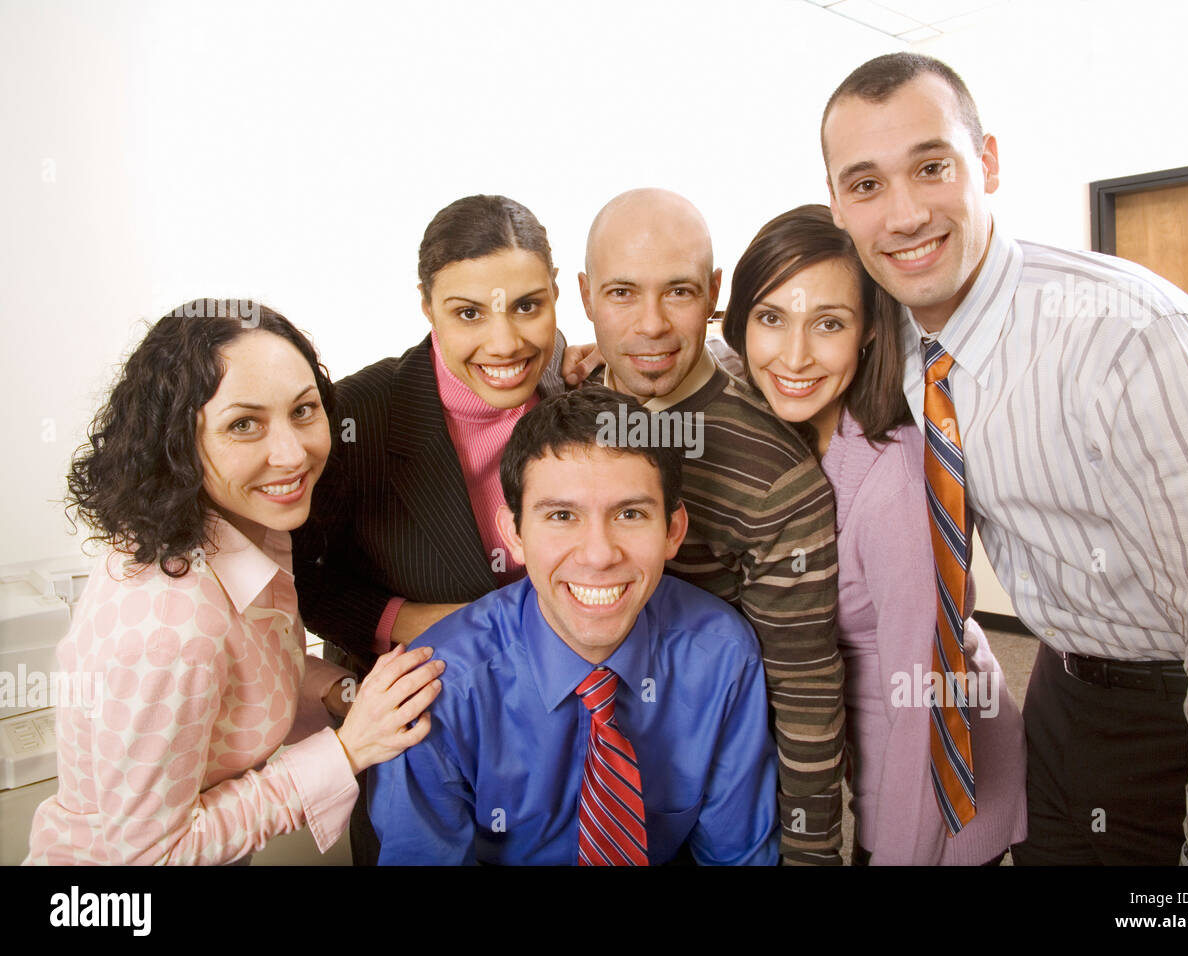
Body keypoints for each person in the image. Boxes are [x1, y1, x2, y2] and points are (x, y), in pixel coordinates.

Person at [821, 52, 1188, 865]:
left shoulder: (1131, 342)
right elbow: (782, 359)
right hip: (1060, 695)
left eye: (931, 166)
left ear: (989, 164)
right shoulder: (895, 333)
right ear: (838, 204)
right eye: (866, 184)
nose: (902, 215)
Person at [25, 300, 441, 865]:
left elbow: (251, 667)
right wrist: (348, 749)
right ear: (177, 442)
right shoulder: (168, 625)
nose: (292, 454)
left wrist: (343, 693)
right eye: (244, 425)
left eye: (303, 411)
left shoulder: (242, 530)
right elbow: (148, 858)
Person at [720, 204, 1026, 865]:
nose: (794, 355)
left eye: (828, 323)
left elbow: (923, 710)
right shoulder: (792, 427)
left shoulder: (892, 479)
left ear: (866, 333)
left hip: (934, 784)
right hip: (870, 758)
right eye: (772, 318)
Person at [369, 387, 779, 865]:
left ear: (672, 531)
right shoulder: (439, 687)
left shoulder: (723, 657)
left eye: (630, 514)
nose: (599, 555)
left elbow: (738, 857)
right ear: (514, 535)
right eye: (562, 516)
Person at [291, 195, 570, 863]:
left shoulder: (578, 406)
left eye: (528, 306)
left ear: (558, 297)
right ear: (426, 306)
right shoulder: (357, 415)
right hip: (419, 753)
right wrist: (408, 619)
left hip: (561, 754)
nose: (504, 343)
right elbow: (301, 582)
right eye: (468, 313)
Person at [576, 188, 846, 865]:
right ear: (584, 296)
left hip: (710, 784)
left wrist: (812, 858)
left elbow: (806, 691)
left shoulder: (774, 472)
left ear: (716, 292)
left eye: (679, 292)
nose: (651, 326)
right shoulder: (566, 405)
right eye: (621, 294)